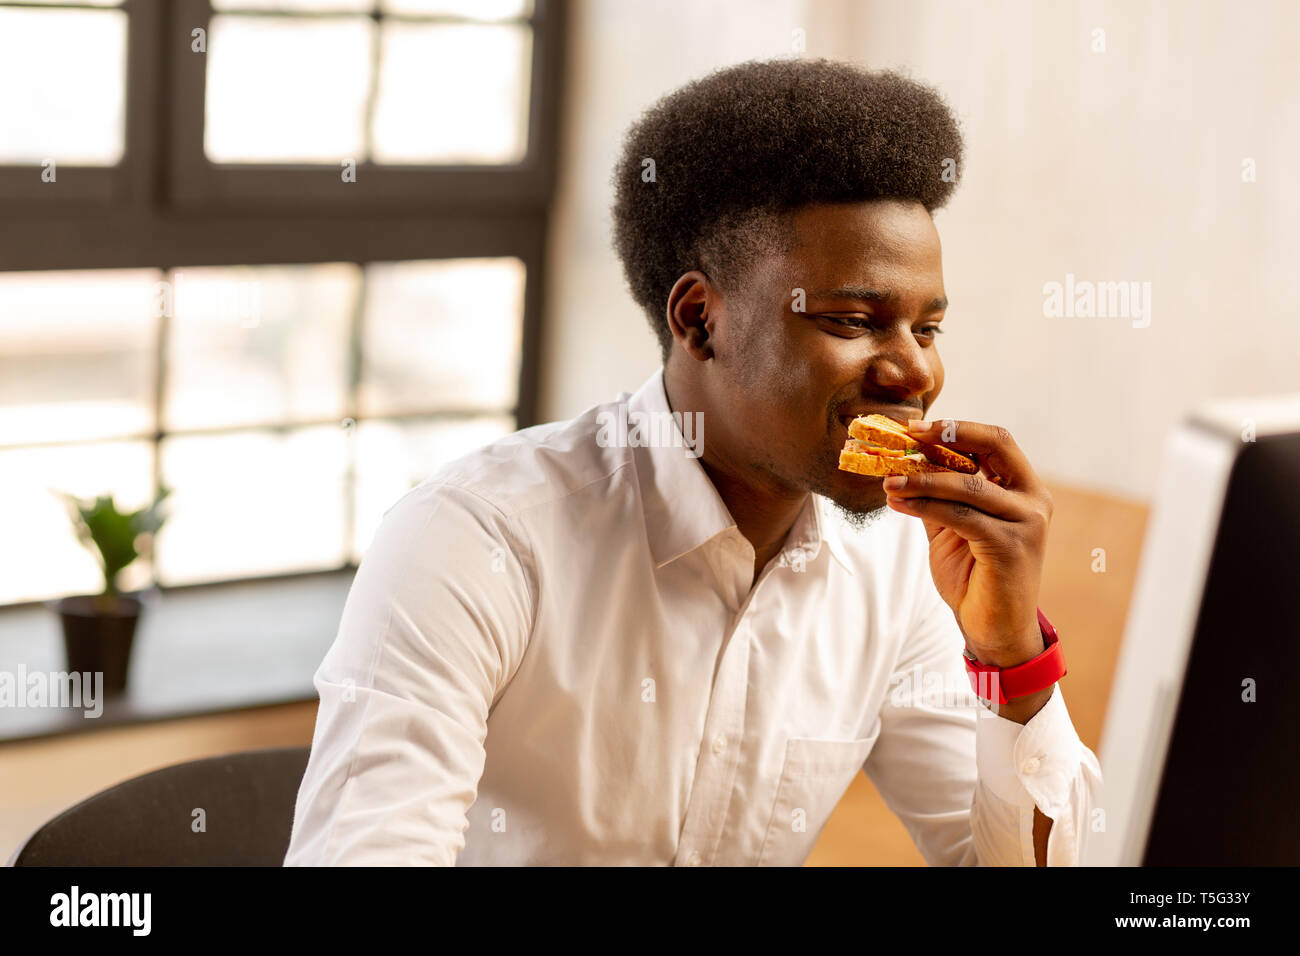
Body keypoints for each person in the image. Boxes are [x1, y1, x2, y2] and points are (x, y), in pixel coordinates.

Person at [285, 57, 1101, 866]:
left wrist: (1013, 658)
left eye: (927, 330)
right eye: (854, 321)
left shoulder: (896, 567)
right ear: (701, 320)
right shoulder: (473, 541)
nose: (914, 372)